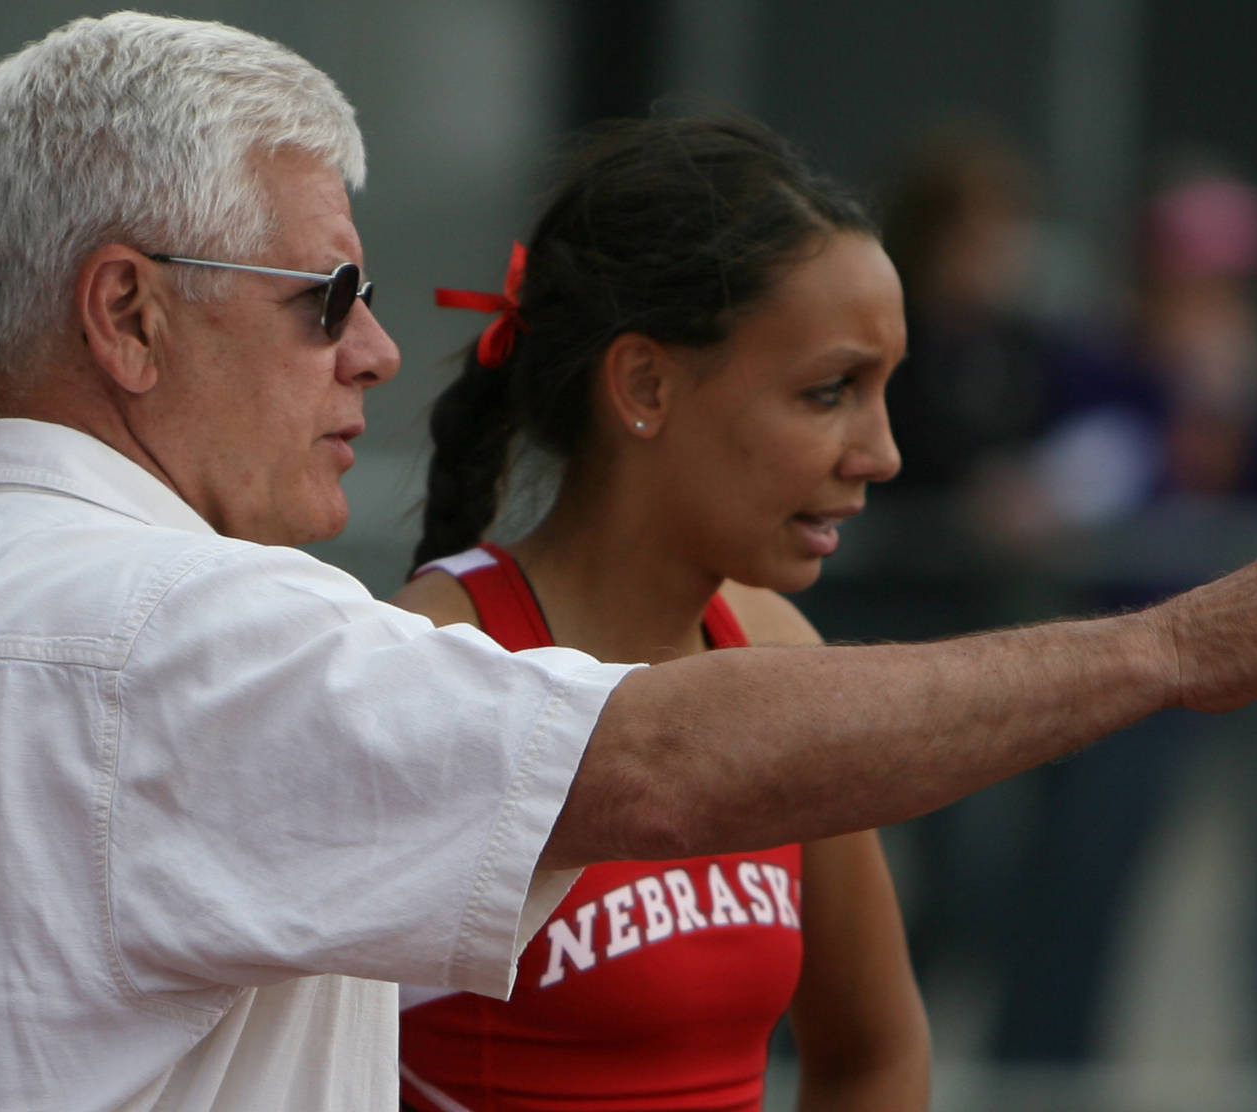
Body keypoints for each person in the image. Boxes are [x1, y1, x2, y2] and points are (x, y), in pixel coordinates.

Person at [0, 13, 1257, 1111]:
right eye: (326, 292)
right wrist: (1179, 643)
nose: (379, 349)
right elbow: (646, 761)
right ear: (129, 314)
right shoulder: (198, 638)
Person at [394, 116, 927, 1110]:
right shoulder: (428, 663)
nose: (880, 452)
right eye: (827, 392)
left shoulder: (769, 641)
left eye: (881, 391)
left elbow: (873, 1053)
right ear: (643, 383)